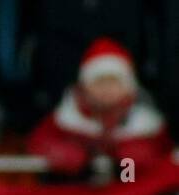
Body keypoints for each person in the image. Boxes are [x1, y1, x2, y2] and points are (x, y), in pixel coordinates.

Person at [27, 38, 173, 181]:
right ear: (84, 86)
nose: (106, 89)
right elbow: (38, 142)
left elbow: (166, 153)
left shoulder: (147, 125)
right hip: (77, 192)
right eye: (99, 82)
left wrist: (137, 156)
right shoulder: (65, 120)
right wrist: (65, 155)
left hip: (132, 192)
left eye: (114, 82)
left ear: (129, 87)